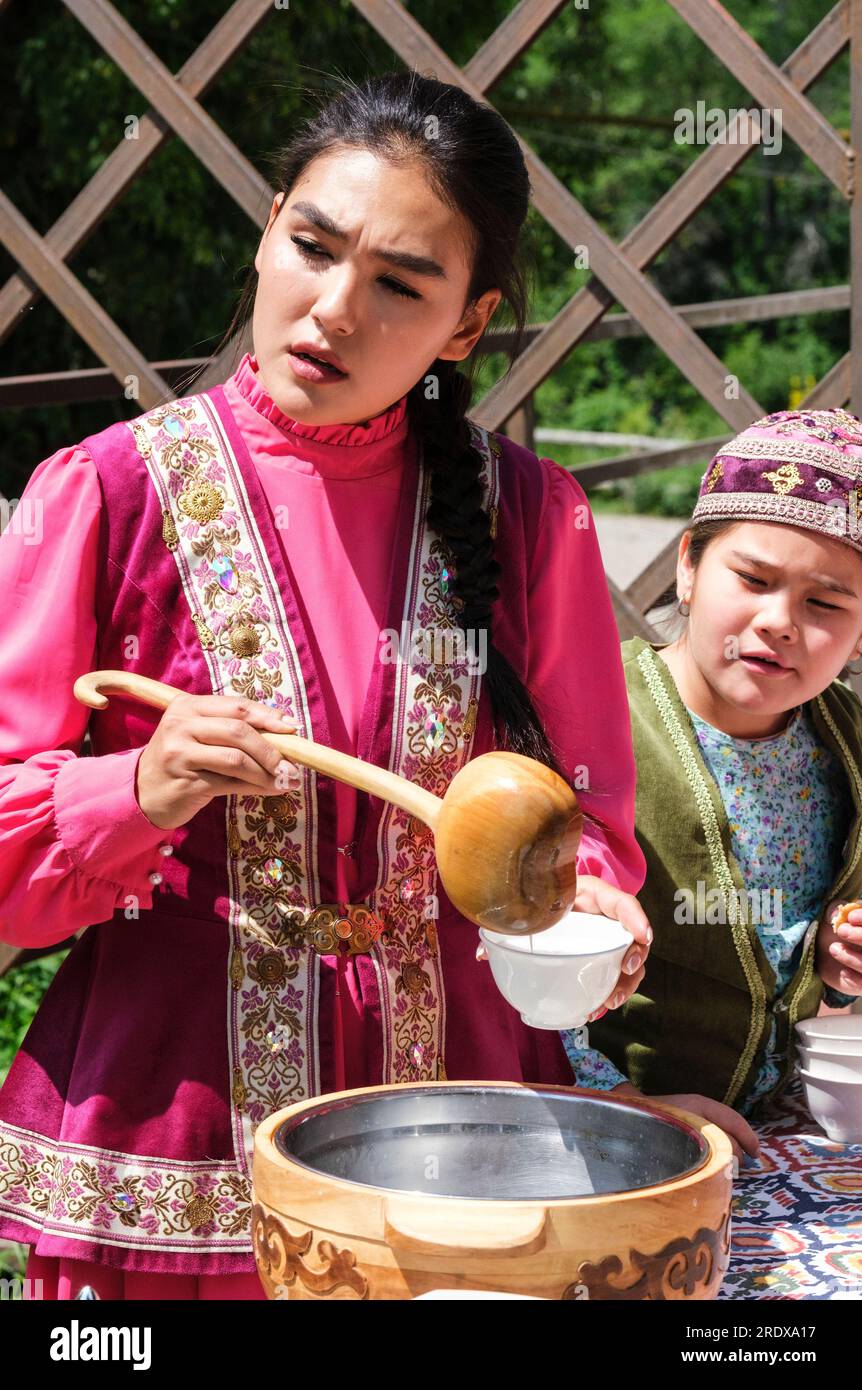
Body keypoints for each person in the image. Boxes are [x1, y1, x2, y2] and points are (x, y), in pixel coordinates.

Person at [0, 70, 649, 1300]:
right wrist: (136, 789)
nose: (333, 310)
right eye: (311, 246)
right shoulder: (105, 495)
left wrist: (595, 911)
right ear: (266, 232)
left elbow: (586, 826)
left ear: (466, 324)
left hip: (455, 1127)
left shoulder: (527, 516)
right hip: (174, 1126)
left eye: (401, 285)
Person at [562, 408, 862, 1164]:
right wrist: (626, 1108)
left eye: (826, 603)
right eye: (754, 580)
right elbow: (516, 944)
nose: (779, 622)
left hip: (787, 1127)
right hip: (610, 1135)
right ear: (689, 567)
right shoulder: (591, 719)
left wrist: (839, 965)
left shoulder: (849, 738)